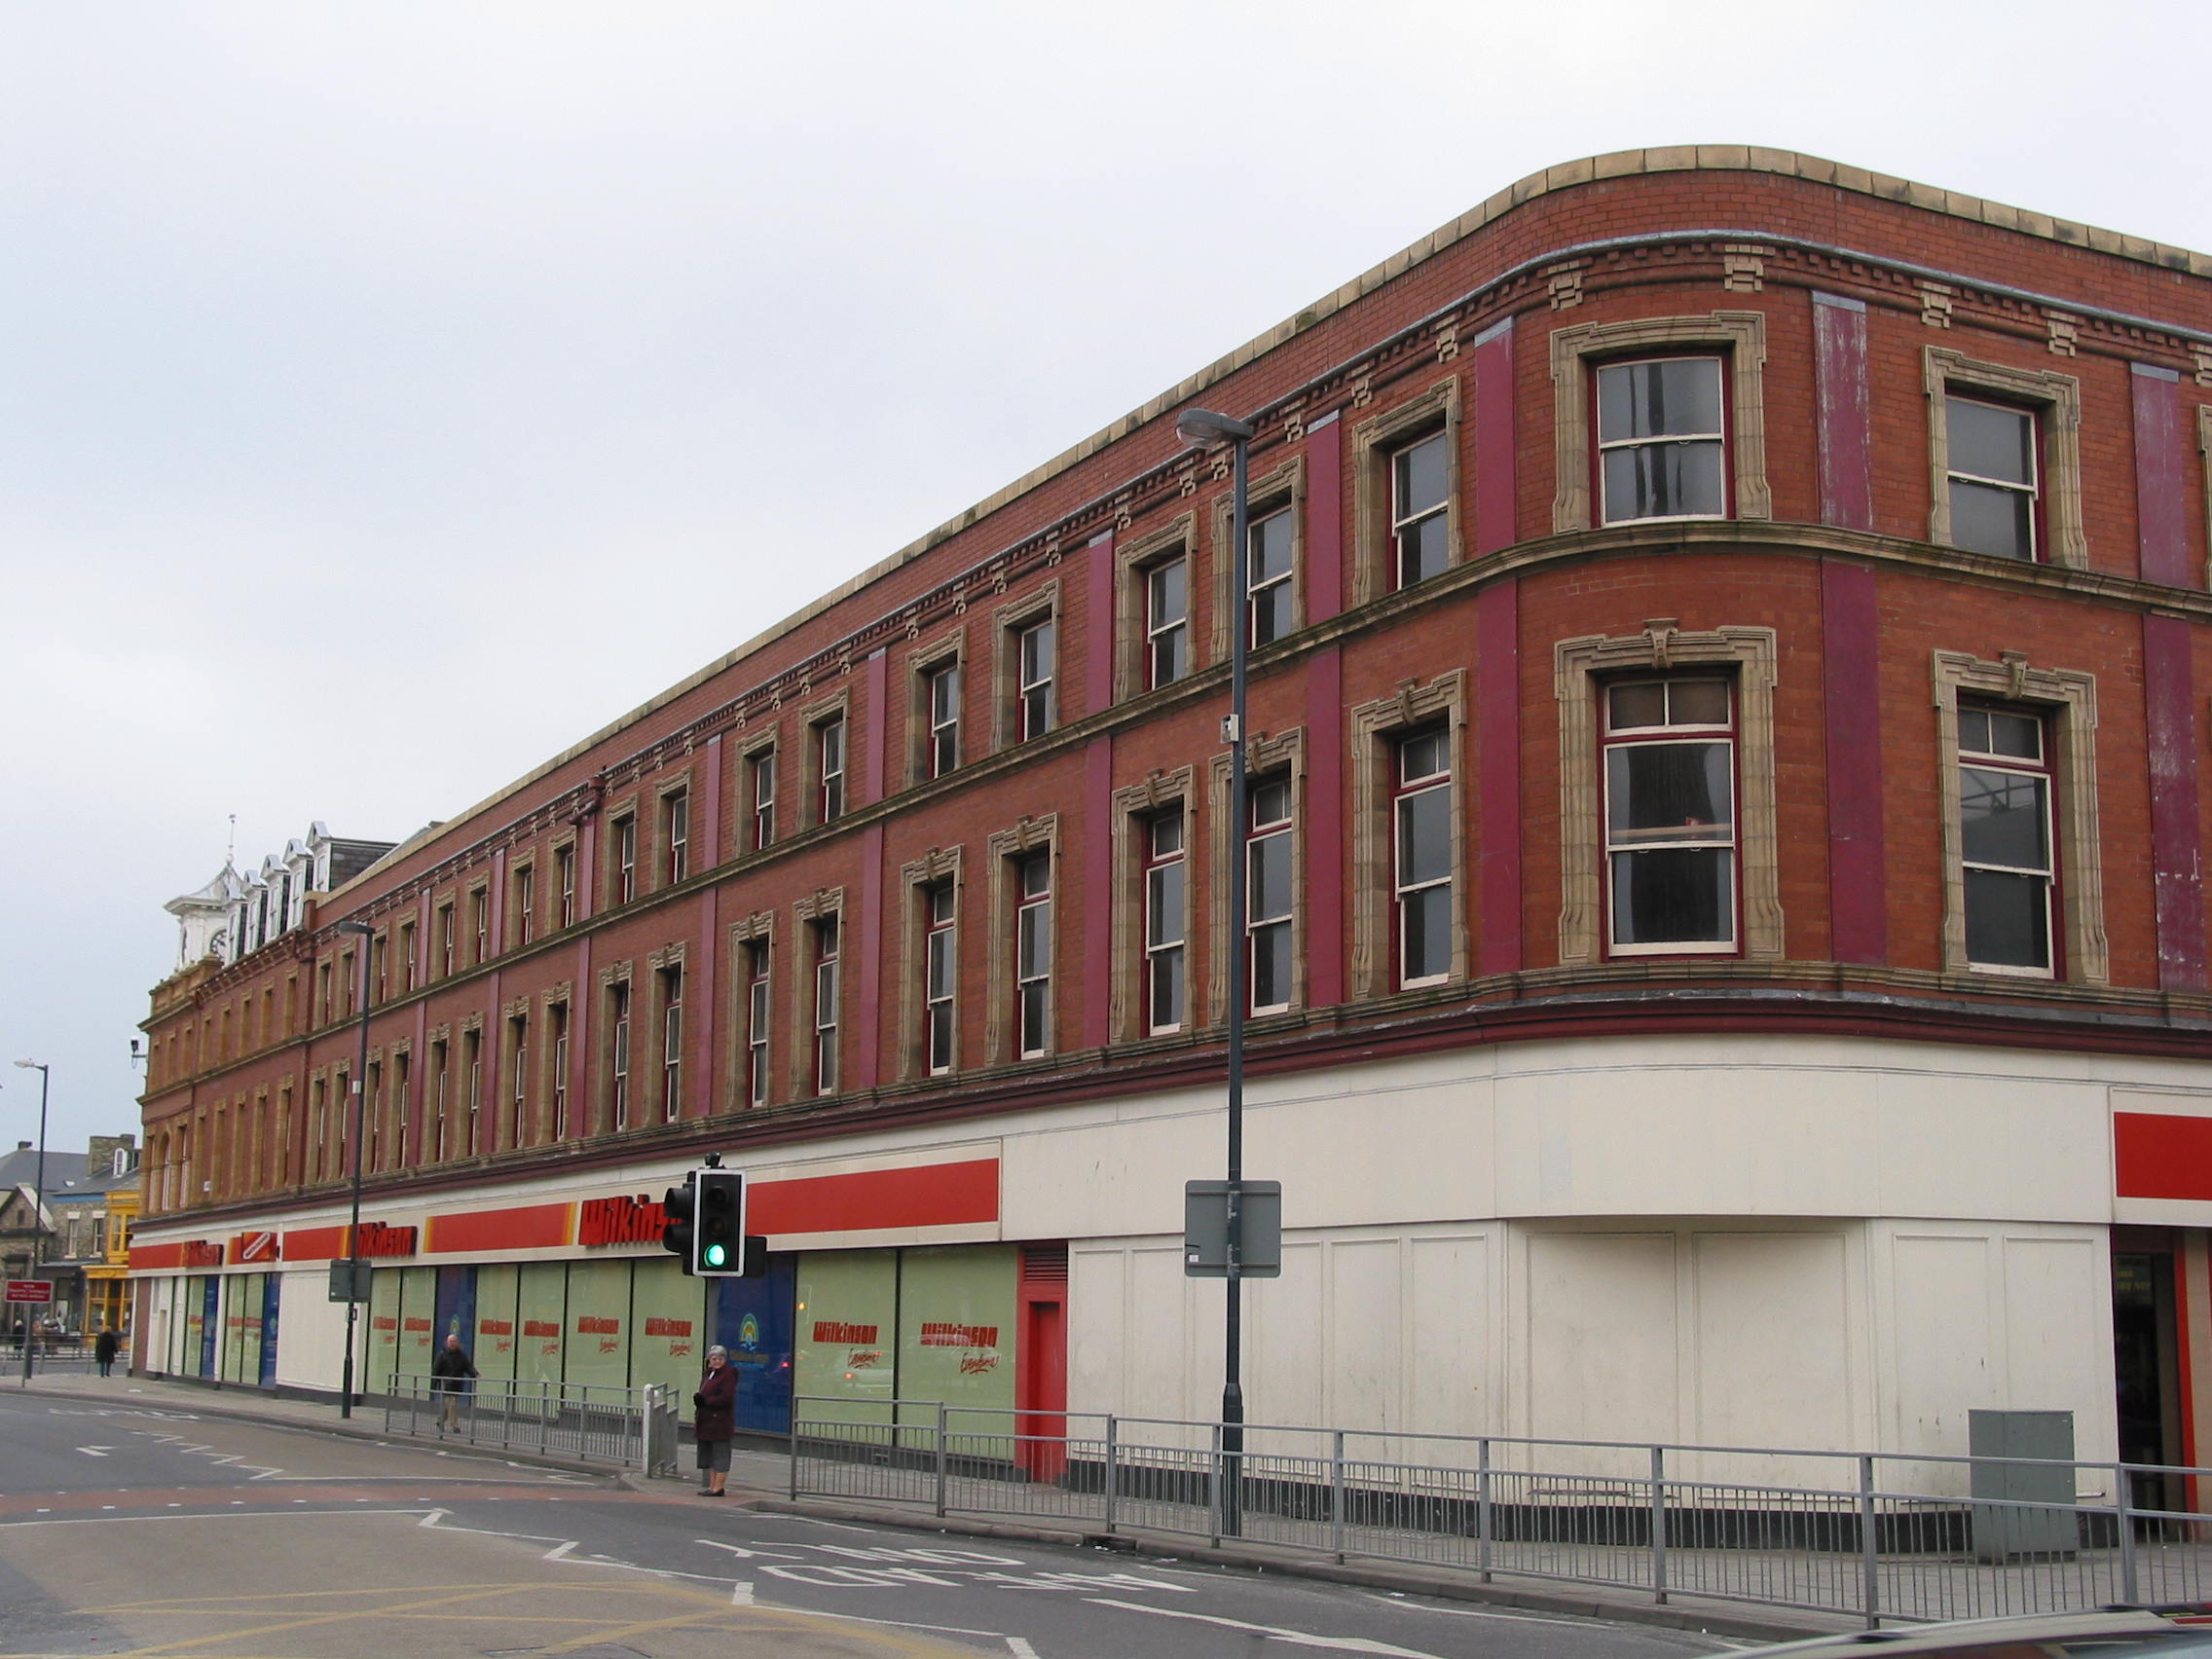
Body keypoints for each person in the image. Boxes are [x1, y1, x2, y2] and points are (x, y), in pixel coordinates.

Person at [692, 1345, 737, 1496]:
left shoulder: (728, 1374)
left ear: (725, 1360)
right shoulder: (710, 1373)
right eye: (714, 1358)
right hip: (706, 1422)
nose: (717, 1361)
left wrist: (706, 1401)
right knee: (711, 1456)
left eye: (720, 1358)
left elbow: (726, 1398)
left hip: (719, 1422)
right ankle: (712, 1486)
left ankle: (719, 1487)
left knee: (721, 1456)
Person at [430, 1332, 477, 1435]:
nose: (452, 1343)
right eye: (450, 1341)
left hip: (457, 1384)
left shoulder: (461, 1355)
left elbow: (467, 1366)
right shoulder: (442, 1355)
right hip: (446, 1384)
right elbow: (435, 1370)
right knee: (452, 1404)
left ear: (457, 1343)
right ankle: (455, 1425)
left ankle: (440, 1421)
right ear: (447, 1343)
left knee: (448, 1406)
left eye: (454, 1341)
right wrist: (434, 1385)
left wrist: (475, 1373)